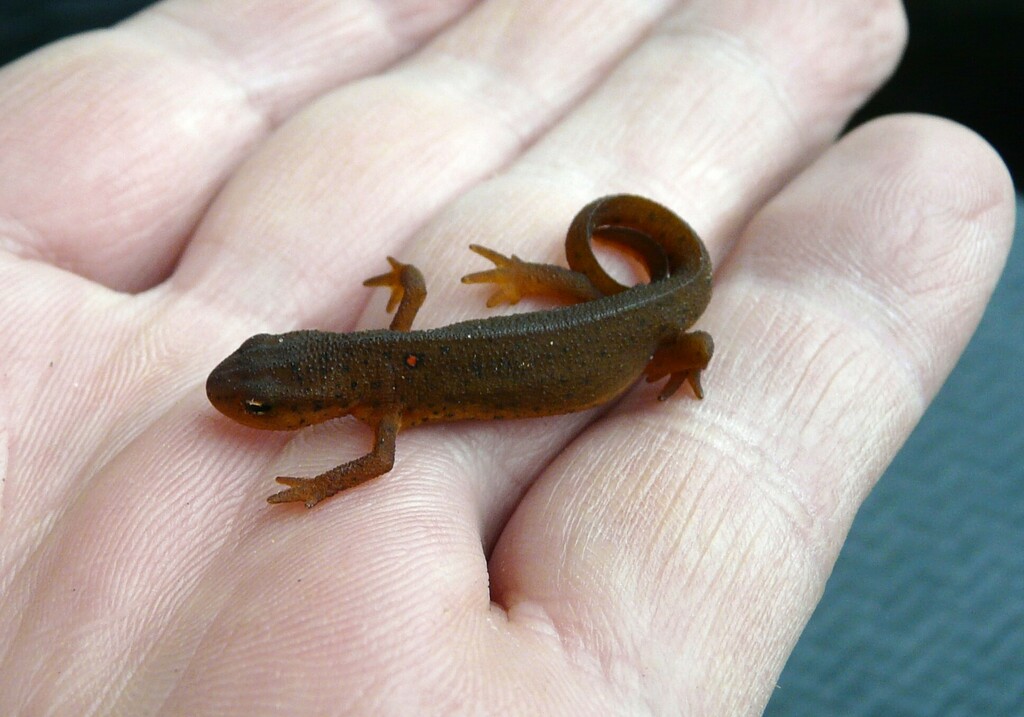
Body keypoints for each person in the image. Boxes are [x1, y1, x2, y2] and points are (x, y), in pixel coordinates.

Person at [0, 1, 1014, 713]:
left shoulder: (379, 409)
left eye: (264, 407)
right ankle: (580, 287)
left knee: (647, 319)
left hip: (643, 327)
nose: (247, 408)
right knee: (587, 306)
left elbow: (381, 457)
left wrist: (681, 361)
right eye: (263, 397)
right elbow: (399, 321)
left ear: (313, 394)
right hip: (600, 321)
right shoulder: (375, 375)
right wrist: (403, 284)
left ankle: (641, 323)